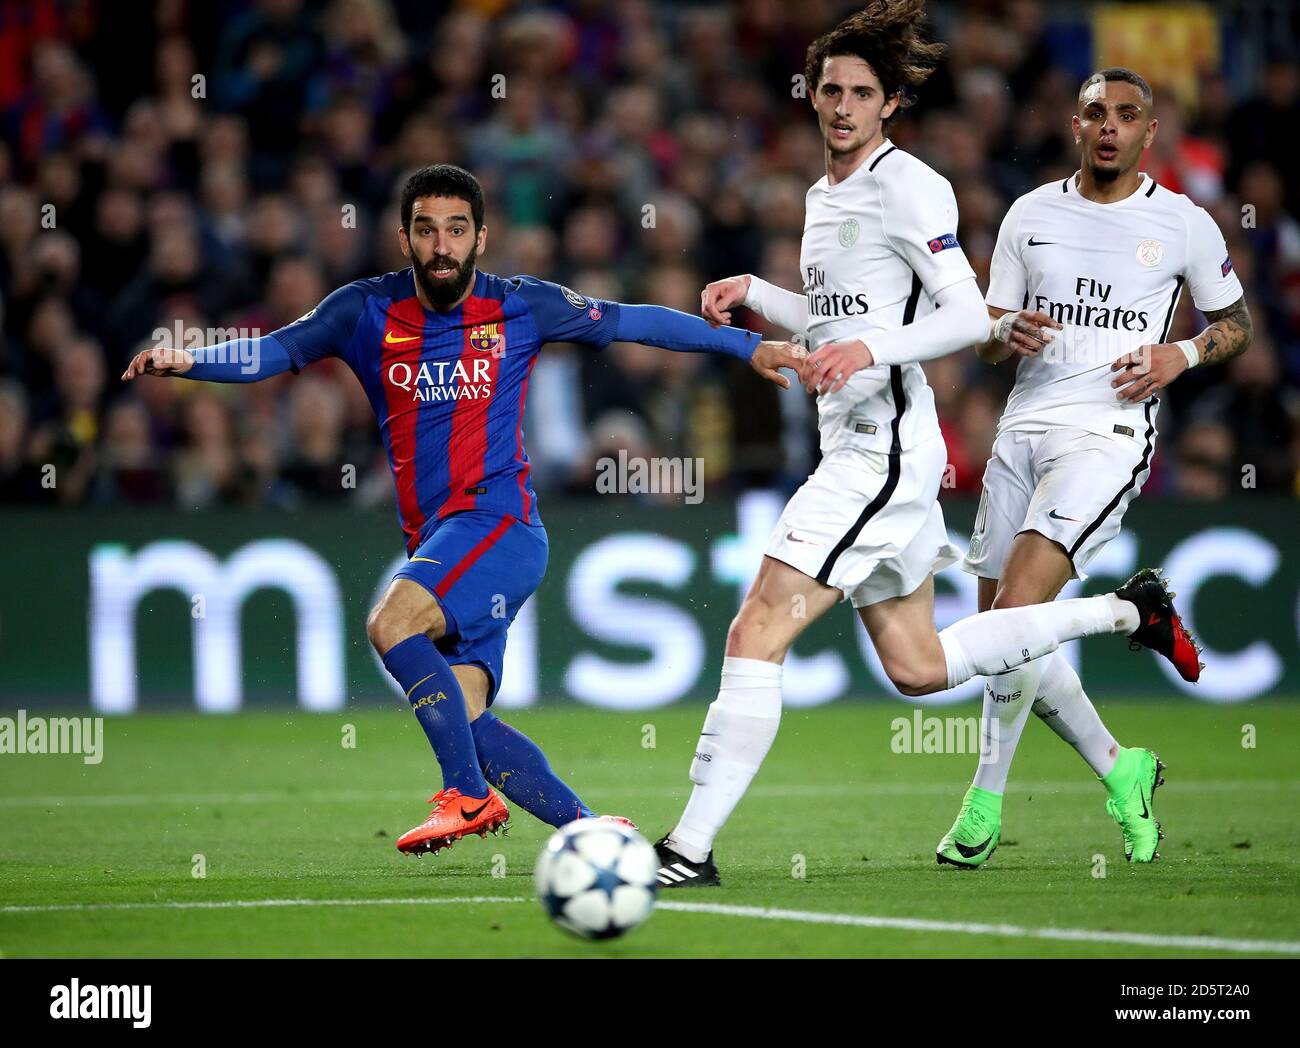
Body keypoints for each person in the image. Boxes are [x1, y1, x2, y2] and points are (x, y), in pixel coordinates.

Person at [651, 4, 1201, 889]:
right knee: (920, 667)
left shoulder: (909, 186)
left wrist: (866, 350)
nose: (839, 106)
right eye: (829, 89)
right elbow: (847, 320)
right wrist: (762, 294)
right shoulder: (823, 194)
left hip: (881, 456)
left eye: (860, 93)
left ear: (890, 105)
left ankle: (686, 849)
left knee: (757, 628)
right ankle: (1126, 614)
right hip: (858, 451)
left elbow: (957, 313)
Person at [123, 163, 806, 857]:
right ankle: (594, 835)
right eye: (426, 230)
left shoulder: (522, 305)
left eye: (456, 229)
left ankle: (468, 795)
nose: (441, 245)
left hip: (498, 522)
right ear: (403, 239)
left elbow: (634, 322)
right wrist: (192, 361)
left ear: (481, 236)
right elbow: (274, 352)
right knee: (469, 713)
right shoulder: (362, 311)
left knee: (391, 621)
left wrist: (747, 344)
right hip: (441, 535)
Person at [937, 67, 1252, 867]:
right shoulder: (1029, 213)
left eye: (1126, 114)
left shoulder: (1183, 224)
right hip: (1022, 429)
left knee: (1011, 615)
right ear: (1073, 125)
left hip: (1109, 433)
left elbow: (1236, 324)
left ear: (1150, 133)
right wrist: (1003, 327)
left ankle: (982, 807)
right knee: (1006, 638)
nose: (1108, 126)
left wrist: (1180, 354)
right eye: (1093, 113)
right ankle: (1123, 768)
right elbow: (982, 328)